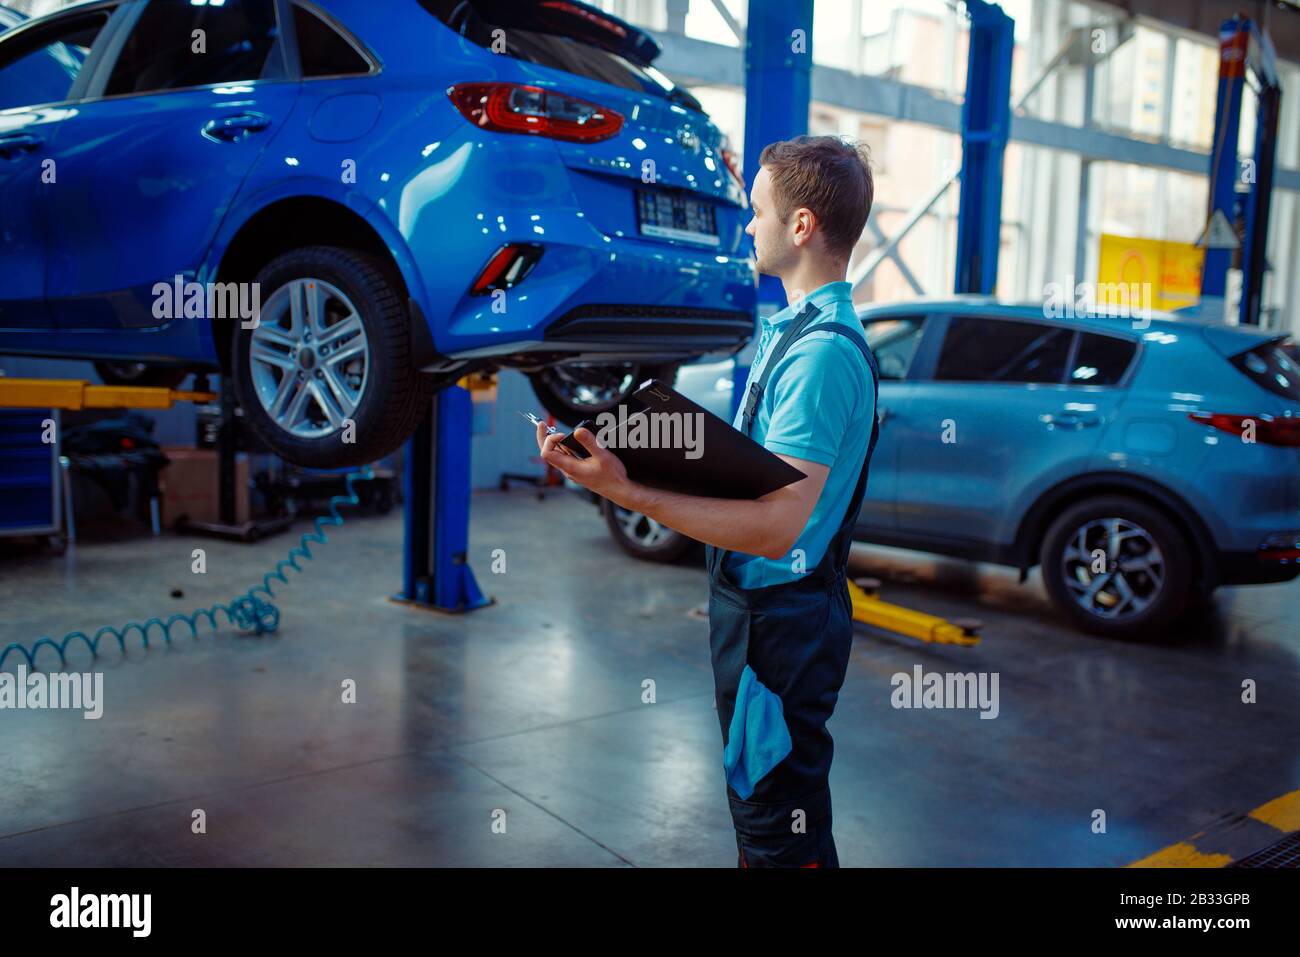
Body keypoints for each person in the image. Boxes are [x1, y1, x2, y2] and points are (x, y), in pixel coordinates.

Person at [536, 134, 879, 867]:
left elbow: (776, 526)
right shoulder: (795, 330)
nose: (746, 225)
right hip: (761, 619)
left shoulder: (822, 355)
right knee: (767, 810)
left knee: (777, 827)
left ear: (801, 227)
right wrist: (636, 450)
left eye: (757, 211)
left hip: (783, 625)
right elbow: (758, 475)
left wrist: (628, 491)